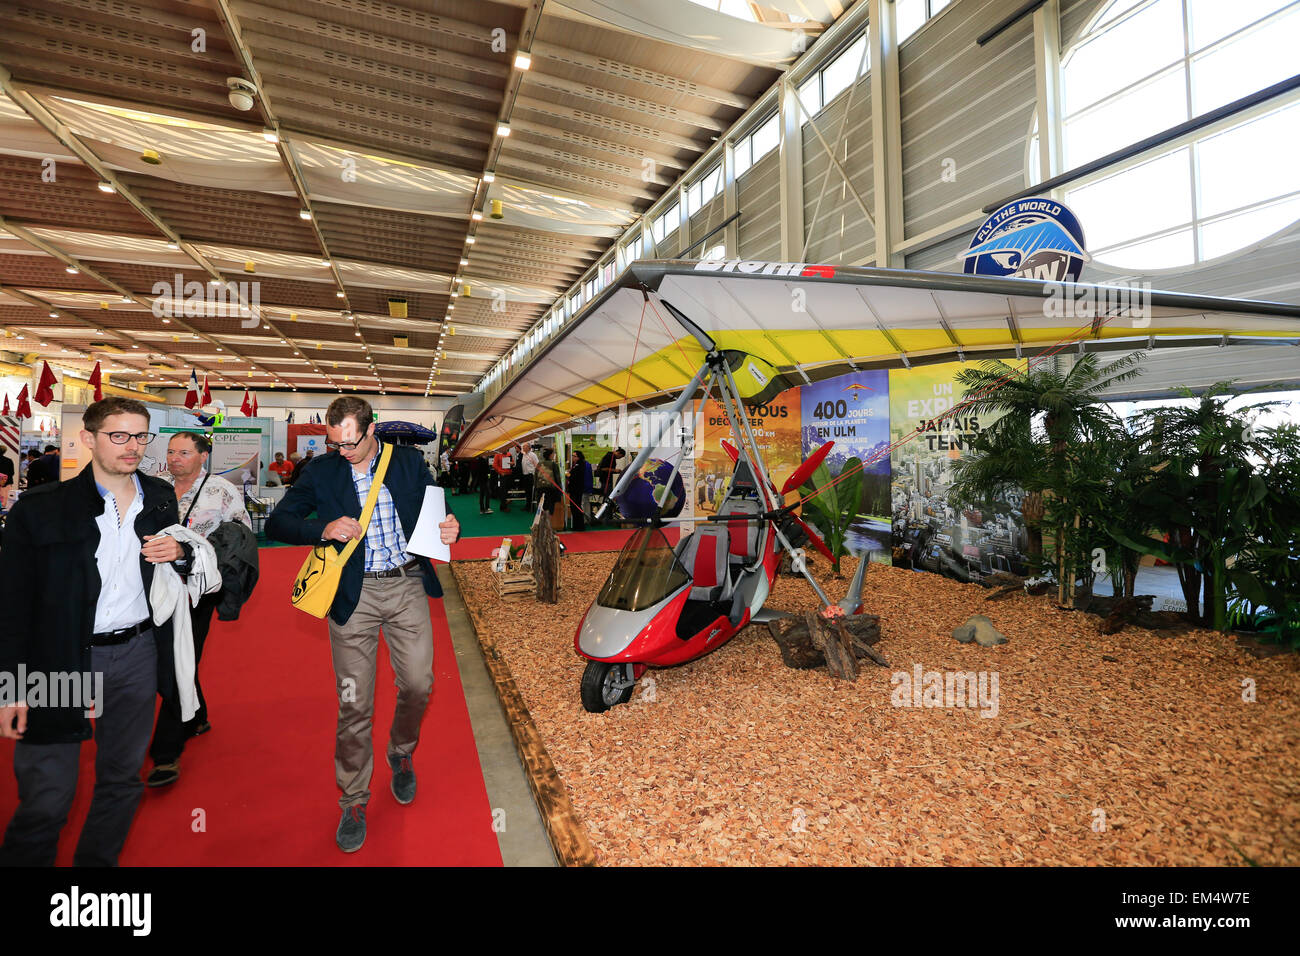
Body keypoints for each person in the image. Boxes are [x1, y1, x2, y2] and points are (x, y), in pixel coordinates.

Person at [0, 397, 194, 866]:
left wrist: (182, 555)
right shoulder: (42, 508)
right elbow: (11, 604)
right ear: (88, 438)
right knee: (48, 794)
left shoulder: (160, 496)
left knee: (122, 781)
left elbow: (179, 565)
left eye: (141, 436)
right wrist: (11, 688)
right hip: (59, 657)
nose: (133, 447)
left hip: (137, 653)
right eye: (119, 436)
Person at [266, 397, 460, 854]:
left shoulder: (409, 464)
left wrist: (450, 530)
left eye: (351, 442)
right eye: (335, 443)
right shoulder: (321, 471)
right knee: (354, 703)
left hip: (407, 583)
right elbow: (279, 522)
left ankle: (401, 749)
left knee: (418, 684)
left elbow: (440, 519)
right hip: (352, 595)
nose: (344, 451)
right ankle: (353, 798)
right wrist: (324, 528)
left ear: (372, 430)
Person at [145, 431, 252, 788]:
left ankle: (165, 753)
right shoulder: (153, 486)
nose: (175, 458)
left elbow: (241, 535)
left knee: (178, 663)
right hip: (154, 585)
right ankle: (198, 715)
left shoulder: (221, 491)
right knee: (172, 657)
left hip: (197, 590)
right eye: (171, 452)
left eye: (184, 453)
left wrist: (202, 556)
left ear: (203, 456)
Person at [567, 450, 593, 532]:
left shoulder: (581, 465)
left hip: (577, 489)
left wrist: (568, 475)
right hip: (576, 489)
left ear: (578, 457)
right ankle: (577, 525)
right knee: (575, 508)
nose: (573, 457)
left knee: (576, 507)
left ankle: (579, 526)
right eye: (572, 455)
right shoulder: (577, 465)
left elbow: (575, 477)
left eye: (575, 456)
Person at [491, 446, 514, 512]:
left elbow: (512, 462)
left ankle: (504, 504)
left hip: (509, 474)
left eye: (506, 448)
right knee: (503, 491)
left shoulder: (509, 454)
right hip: (503, 475)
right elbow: (494, 465)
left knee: (506, 490)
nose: (505, 449)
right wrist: (501, 472)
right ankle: (503, 507)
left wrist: (512, 463)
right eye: (503, 448)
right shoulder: (497, 455)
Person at [520, 442, 539, 509]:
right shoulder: (524, 455)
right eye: (523, 446)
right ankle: (528, 505)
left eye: (525, 446)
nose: (523, 448)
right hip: (525, 475)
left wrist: (534, 474)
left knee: (530, 491)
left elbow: (537, 465)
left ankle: (530, 506)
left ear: (529, 448)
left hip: (530, 475)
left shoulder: (533, 455)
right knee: (527, 491)